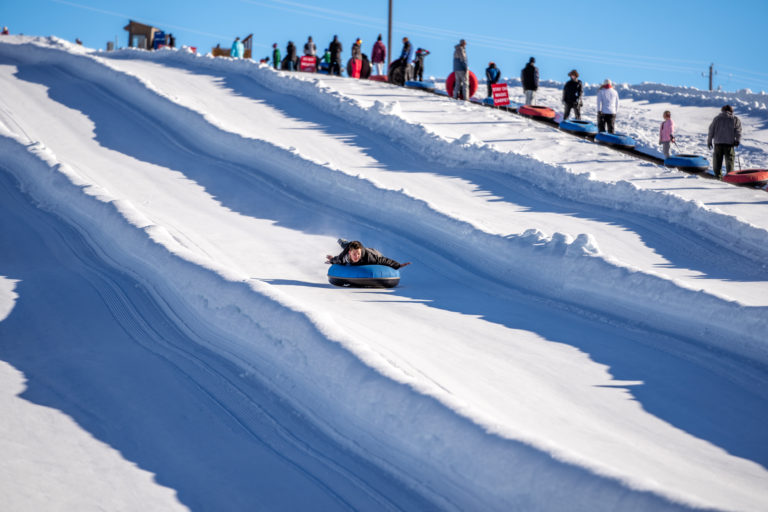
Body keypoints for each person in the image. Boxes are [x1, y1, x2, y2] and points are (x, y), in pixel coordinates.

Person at [707, 104, 742, 179]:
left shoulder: (717, 119)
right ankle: (730, 177)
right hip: (729, 144)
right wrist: (737, 140)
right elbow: (738, 131)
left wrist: (709, 141)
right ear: (731, 111)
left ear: (722, 110)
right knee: (729, 161)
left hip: (718, 143)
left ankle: (717, 176)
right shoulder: (735, 119)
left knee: (717, 161)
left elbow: (711, 130)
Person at [326, 239, 410, 269]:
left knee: (378, 256)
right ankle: (343, 242)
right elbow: (337, 259)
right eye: (354, 254)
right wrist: (332, 260)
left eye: (358, 254)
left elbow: (383, 260)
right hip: (350, 247)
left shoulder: (368, 257)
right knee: (347, 245)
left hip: (372, 251)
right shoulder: (344, 257)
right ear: (349, 253)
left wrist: (397, 265)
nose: (356, 256)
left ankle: (349, 245)